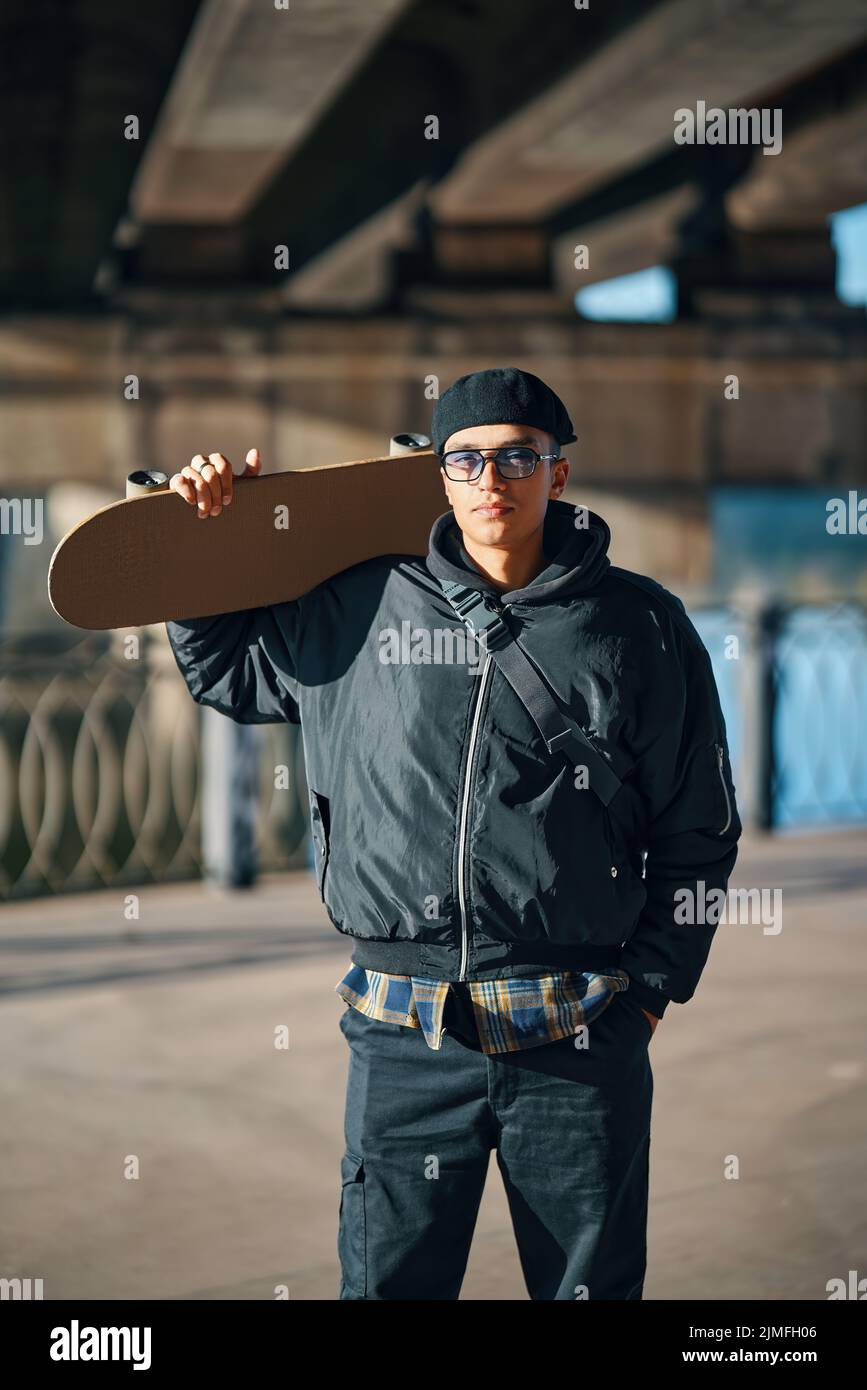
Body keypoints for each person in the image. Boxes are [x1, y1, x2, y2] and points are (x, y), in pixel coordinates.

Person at [164, 366, 741, 1301]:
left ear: (557, 472)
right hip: (402, 1036)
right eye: (465, 459)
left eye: (517, 457)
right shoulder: (358, 605)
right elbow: (230, 674)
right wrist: (207, 543)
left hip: (579, 1037)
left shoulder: (638, 626)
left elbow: (699, 829)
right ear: (438, 473)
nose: (491, 480)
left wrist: (649, 993)